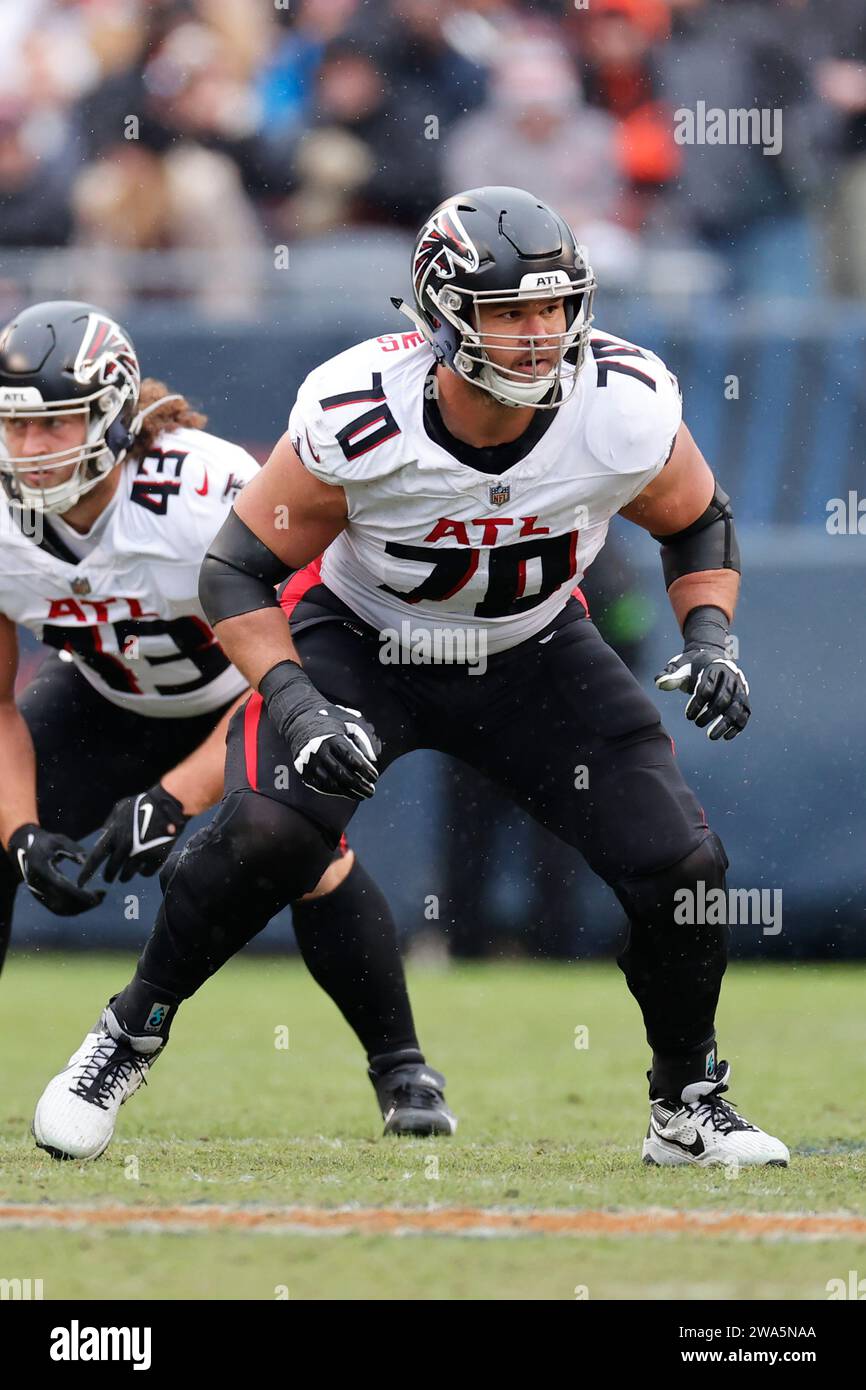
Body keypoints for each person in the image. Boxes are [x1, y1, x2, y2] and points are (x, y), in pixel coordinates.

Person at [35, 189, 788, 1167]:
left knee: (683, 866)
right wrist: (298, 700)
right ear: (441, 313)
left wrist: (711, 632)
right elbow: (234, 572)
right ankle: (127, 1033)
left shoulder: (620, 402)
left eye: (553, 308)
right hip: (364, 639)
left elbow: (695, 516)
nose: (537, 334)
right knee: (268, 829)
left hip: (529, 647)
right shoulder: (364, 412)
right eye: (508, 311)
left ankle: (686, 1102)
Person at [0, 300, 453, 1142]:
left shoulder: (201, 490)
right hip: (103, 698)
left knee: (298, 850)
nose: (30, 451)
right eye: (15, 427)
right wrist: (23, 832)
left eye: (54, 425)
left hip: (245, 693)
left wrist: (172, 796)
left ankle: (401, 1068)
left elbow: (300, 647)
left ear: (111, 414)